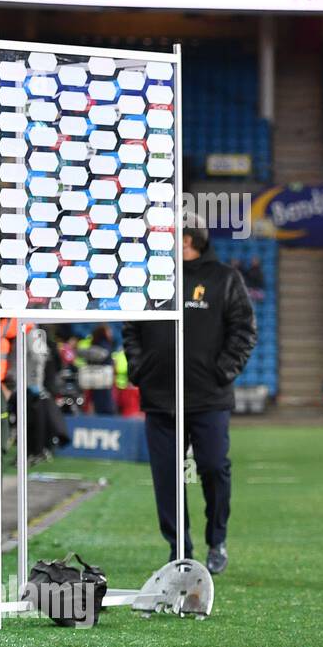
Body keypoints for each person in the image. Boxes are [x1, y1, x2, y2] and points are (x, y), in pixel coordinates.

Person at [124, 223, 256, 574]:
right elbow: (131, 326)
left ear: (192, 240)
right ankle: (179, 547)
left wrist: (222, 372)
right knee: (167, 477)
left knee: (213, 467)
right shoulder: (151, 278)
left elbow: (244, 330)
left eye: (178, 237)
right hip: (159, 398)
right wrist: (140, 370)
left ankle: (218, 541)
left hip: (208, 397)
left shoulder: (225, 279)